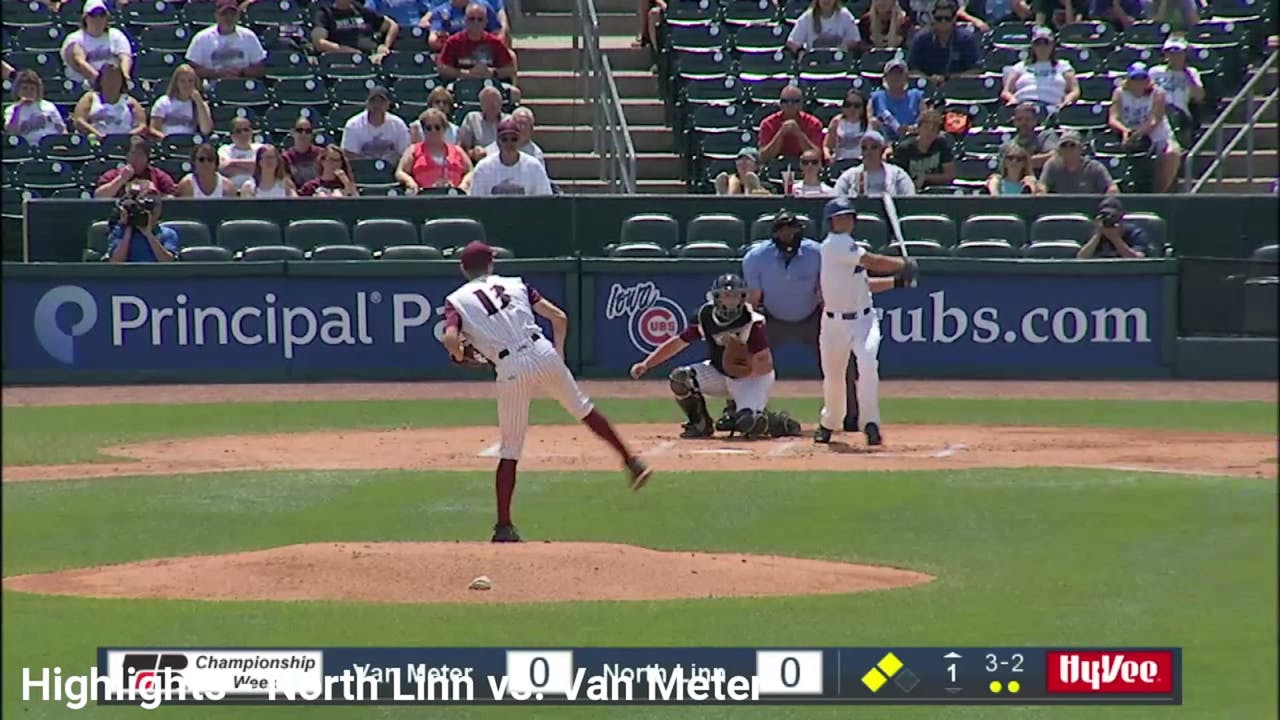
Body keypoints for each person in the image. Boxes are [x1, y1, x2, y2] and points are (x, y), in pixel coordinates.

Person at [441, 241, 652, 542]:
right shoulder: (516, 285)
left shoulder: (456, 300)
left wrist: (461, 355)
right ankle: (631, 461)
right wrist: (558, 355)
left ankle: (504, 527)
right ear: (491, 264)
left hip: (510, 365)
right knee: (584, 409)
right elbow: (560, 318)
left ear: (463, 268)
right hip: (542, 350)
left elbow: (450, 339)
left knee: (511, 449)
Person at [628, 273, 805, 441]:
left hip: (752, 379)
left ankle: (775, 421)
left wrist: (742, 368)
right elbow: (679, 342)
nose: (730, 300)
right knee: (680, 379)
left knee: (749, 425)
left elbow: (766, 364)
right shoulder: (706, 316)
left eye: (735, 296)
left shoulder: (751, 321)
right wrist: (647, 363)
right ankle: (700, 423)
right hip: (719, 372)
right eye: (726, 296)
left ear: (742, 297)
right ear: (717, 298)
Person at [742, 211, 869, 433]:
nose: (788, 235)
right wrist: (753, 333)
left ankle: (849, 415)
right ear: (775, 233)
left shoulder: (818, 253)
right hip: (772, 317)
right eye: (783, 230)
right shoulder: (755, 258)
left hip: (812, 317)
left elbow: (825, 289)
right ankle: (741, 410)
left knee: (841, 363)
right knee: (746, 358)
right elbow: (754, 299)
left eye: (792, 230)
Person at [813, 197, 917, 446]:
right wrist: (903, 264)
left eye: (848, 216)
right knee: (834, 377)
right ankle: (829, 422)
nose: (845, 221)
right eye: (839, 217)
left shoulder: (850, 247)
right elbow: (872, 262)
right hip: (833, 323)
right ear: (831, 222)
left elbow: (865, 284)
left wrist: (898, 282)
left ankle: (870, 423)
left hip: (864, 319)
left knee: (868, 363)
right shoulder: (833, 246)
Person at [1108, 62, 1181, 193]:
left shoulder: (1158, 93)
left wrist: (1136, 134)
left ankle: (1159, 193)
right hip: (1127, 134)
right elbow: (1113, 118)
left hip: (1157, 136)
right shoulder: (1119, 93)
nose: (1139, 82)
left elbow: (1154, 120)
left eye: (1142, 78)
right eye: (1135, 79)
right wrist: (1125, 131)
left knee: (1172, 153)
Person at [1000, 26, 1079, 116]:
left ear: (1053, 45)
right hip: (1024, 107)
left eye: (1046, 43)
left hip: (1052, 107)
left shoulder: (1063, 66)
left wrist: (1067, 101)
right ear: (1033, 46)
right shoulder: (1020, 66)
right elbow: (1006, 91)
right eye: (1038, 43)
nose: (1042, 47)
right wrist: (1012, 100)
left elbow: (1075, 90)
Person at [438, 3, 519, 88]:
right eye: (471, 19)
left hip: (490, 84)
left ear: (486, 22)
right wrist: (466, 73)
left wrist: (492, 72)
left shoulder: (495, 42)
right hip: (461, 84)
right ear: (465, 21)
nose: (475, 22)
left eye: (480, 19)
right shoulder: (453, 42)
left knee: (514, 93)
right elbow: (442, 68)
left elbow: (510, 69)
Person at [184, 0, 267, 80]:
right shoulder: (202, 38)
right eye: (224, 14)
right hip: (212, 85)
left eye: (233, 14)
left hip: (242, 84)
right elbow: (191, 69)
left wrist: (241, 72)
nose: (229, 18)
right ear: (216, 15)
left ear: (238, 16)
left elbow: (260, 68)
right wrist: (217, 73)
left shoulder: (249, 36)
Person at [467, 119, 553, 195]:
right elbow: (476, 202)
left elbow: (545, 200)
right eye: (504, 139)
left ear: (519, 141)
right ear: (497, 142)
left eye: (513, 139)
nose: (509, 144)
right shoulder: (483, 168)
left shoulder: (534, 167)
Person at [396, 108, 473, 192]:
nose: (433, 131)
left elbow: (471, 171)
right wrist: (410, 182)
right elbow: (400, 172)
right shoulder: (414, 150)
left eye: (437, 127)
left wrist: (464, 184)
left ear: (444, 128)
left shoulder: (457, 150)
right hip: (424, 197)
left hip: (453, 196)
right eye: (428, 128)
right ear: (423, 130)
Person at [60, 0, 132, 86]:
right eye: (93, 15)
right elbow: (78, 61)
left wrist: (123, 77)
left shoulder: (115, 35)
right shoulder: (74, 38)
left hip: (112, 85)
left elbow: (125, 57)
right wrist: (99, 80)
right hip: (83, 85)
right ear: (85, 18)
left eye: (102, 15)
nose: (98, 19)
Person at [908, 0, 982, 83]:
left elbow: (975, 70)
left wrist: (950, 79)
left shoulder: (966, 39)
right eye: (939, 18)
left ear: (954, 19)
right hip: (928, 89)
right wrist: (929, 79)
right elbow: (913, 70)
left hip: (959, 89)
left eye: (947, 18)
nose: (943, 22)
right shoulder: (921, 39)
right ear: (933, 18)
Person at [106, 182, 180, 263]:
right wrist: (129, 228)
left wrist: (149, 234)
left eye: (156, 205)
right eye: (146, 205)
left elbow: (168, 263)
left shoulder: (168, 233)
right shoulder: (119, 232)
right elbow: (115, 262)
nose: (151, 210)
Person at [1150, 35, 1205, 145]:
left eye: (1178, 52)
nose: (1174, 56)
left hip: (1180, 115)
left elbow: (1199, 97)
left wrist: (1187, 74)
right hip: (1156, 112)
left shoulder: (1192, 72)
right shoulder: (1154, 72)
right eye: (1170, 52)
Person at [340, 86, 412, 164]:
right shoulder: (353, 125)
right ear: (367, 103)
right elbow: (349, 155)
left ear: (388, 104)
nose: (377, 104)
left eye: (381, 101)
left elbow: (405, 153)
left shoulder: (398, 124)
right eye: (373, 101)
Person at [833, 129, 916, 196]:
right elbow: (836, 199)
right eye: (864, 148)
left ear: (882, 150)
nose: (868, 152)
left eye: (874, 147)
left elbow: (909, 199)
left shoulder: (897, 174)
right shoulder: (849, 175)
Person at [71, 62, 145, 138]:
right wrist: (97, 134)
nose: (112, 81)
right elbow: (79, 121)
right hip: (97, 142)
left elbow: (142, 125)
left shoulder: (130, 101)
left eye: (115, 78)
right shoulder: (90, 97)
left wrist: (128, 136)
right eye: (108, 78)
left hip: (124, 143)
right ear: (101, 80)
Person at [759, 85, 827, 165]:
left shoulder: (813, 123)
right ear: (780, 104)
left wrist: (799, 133)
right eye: (785, 101)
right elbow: (764, 157)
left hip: (804, 167)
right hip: (775, 167)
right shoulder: (768, 123)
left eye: (795, 101)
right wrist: (781, 133)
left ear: (801, 103)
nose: (789, 105)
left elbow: (816, 156)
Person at [311, 0, 399, 61]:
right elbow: (319, 42)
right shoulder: (325, 13)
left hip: (373, 57)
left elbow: (392, 25)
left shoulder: (360, 10)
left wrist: (384, 47)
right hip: (344, 61)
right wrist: (349, 52)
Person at [1037, 129, 1120, 194]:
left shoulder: (1094, 167)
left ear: (1081, 149)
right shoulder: (1052, 165)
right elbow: (1042, 186)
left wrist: (1111, 192)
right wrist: (1041, 191)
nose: (1068, 149)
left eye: (1072, 146)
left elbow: (1112, 188)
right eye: (1064, 146)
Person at [890, 108, 955, 189]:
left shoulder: (942, 145)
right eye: (926, 128)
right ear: (918, 129)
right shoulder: (904, 149)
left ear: (938, 133)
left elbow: (949, 175)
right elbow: (898, 178)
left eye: (933, 130)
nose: (929, 133)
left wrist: (926, 178)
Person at [94, 135, 178, 197]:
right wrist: (120, 180)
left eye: (140, 154)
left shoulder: (158, 175)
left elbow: (172, 198)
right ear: (127, 156)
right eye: (133, 154)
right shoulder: (114, 174)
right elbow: (99, 196)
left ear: (147, 157)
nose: (136, 158)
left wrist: (154, 193)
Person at [148, 64, 214, 139]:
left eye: (190, 81)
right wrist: (167, 139)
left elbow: (206, 130)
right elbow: (154, 129)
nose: (187, 85)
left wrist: (199, 102)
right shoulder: (163, 102)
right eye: (183, 81)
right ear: (176, 83)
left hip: (190, 143)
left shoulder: (200, 104)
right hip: (167, 142)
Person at [870, 57, 925, 142]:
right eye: (892, 73)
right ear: (886, 77)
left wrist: (912, 128)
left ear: (906, 76)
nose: (896, 76)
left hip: (911, 141)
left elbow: (925, 119)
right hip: (883, 142)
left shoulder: (916, 96)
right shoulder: (876, 97)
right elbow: (870, 119)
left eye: (900, 73)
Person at [4, 70, 67, 145]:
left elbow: (62, 129)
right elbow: (11, 133)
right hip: (28, 147)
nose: (28, 92)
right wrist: (17, 110)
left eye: (32, 89)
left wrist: (63, 143)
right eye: (25, 88)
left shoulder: (49, 106)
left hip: (51, 145)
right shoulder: (11, 109)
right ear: (17, 90)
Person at [1077, 197, 1149, 258]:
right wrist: (1098, 235)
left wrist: (1115, 239)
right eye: (1104, 216)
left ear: (1121, 217)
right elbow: (1081, 257)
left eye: (1113, 216)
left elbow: (1138, 260)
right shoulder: (1094, 234)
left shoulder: (1135, 233)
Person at [786, 0, 863, 54]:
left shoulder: (845, 16)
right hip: (814, 65)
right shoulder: (807, 17)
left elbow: (855, 40)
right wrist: (800, 52)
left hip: (839, 64)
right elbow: (792, 42)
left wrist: (847, 46)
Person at [458, 85, 510, 163]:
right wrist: (473, 153)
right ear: (481, 104)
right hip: (480, 164)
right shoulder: (472, 118)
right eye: (487, 101)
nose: (492, 105)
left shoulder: (509, 120)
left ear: (501, 103)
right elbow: (462, 149)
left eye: (495, 101)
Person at [1003, 101, 1059, 171]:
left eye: (1027, 119)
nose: (1023, 123)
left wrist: (1019, 162)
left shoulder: (1045, 136)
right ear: (1014, 122)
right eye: (1019, 119)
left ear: (1035, 120)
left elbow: (1054, 156)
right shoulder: (1007, 145)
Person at [428, 0, 501, 52]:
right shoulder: (440, 12)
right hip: (454, 52)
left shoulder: (483, 7)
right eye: (471, 19)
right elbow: (433, 41)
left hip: (483, 51)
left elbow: (497, 33)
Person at [825, 88, 873, 162]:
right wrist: (827, 155)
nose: (852, 109)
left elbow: (884, 145)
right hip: (841, 162)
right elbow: (827, 146)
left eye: (857, 106)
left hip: (862, 162)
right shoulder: (836, 121)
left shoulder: (871, 123)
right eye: (848, 105)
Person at [218, 116, 262, 189]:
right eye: (238, 131)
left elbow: (265, 169)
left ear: (251, 132)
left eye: (246, 130)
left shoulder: (261, 148)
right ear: (232, 135)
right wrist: (253, 168)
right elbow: (223, 168)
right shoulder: (225, 149)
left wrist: (232, 164)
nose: (243, 133)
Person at [283, 116, 323, 188]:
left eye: (308, 131)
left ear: (312, 134)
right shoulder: (285, 157)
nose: (303, 134)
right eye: (299, 130)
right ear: (292, 132)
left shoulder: (321, 154)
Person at [366, 0, 434, 29]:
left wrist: (425, 19)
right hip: (387, 33)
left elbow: (430, 10)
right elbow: (368, 11)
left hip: (414, 29)